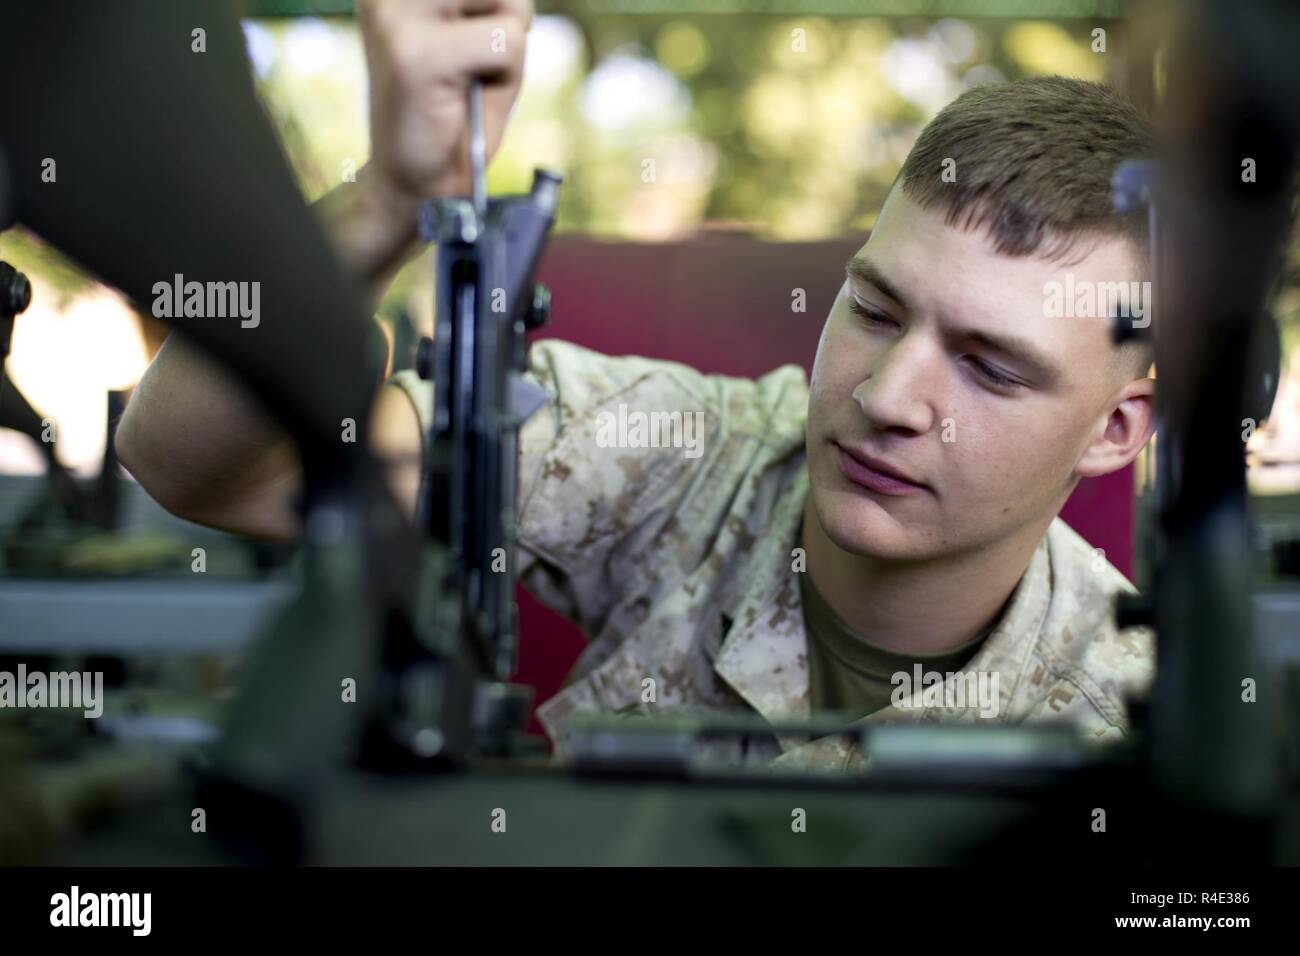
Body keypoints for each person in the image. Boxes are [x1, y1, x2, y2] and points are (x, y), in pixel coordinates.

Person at [116, 0, 1156, 770]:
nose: (887, 395)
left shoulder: (1136, 729)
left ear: (1113, 427)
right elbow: (188, 461)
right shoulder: (679, 449)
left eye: (987, 364)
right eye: (875, 310)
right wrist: (390, 199)